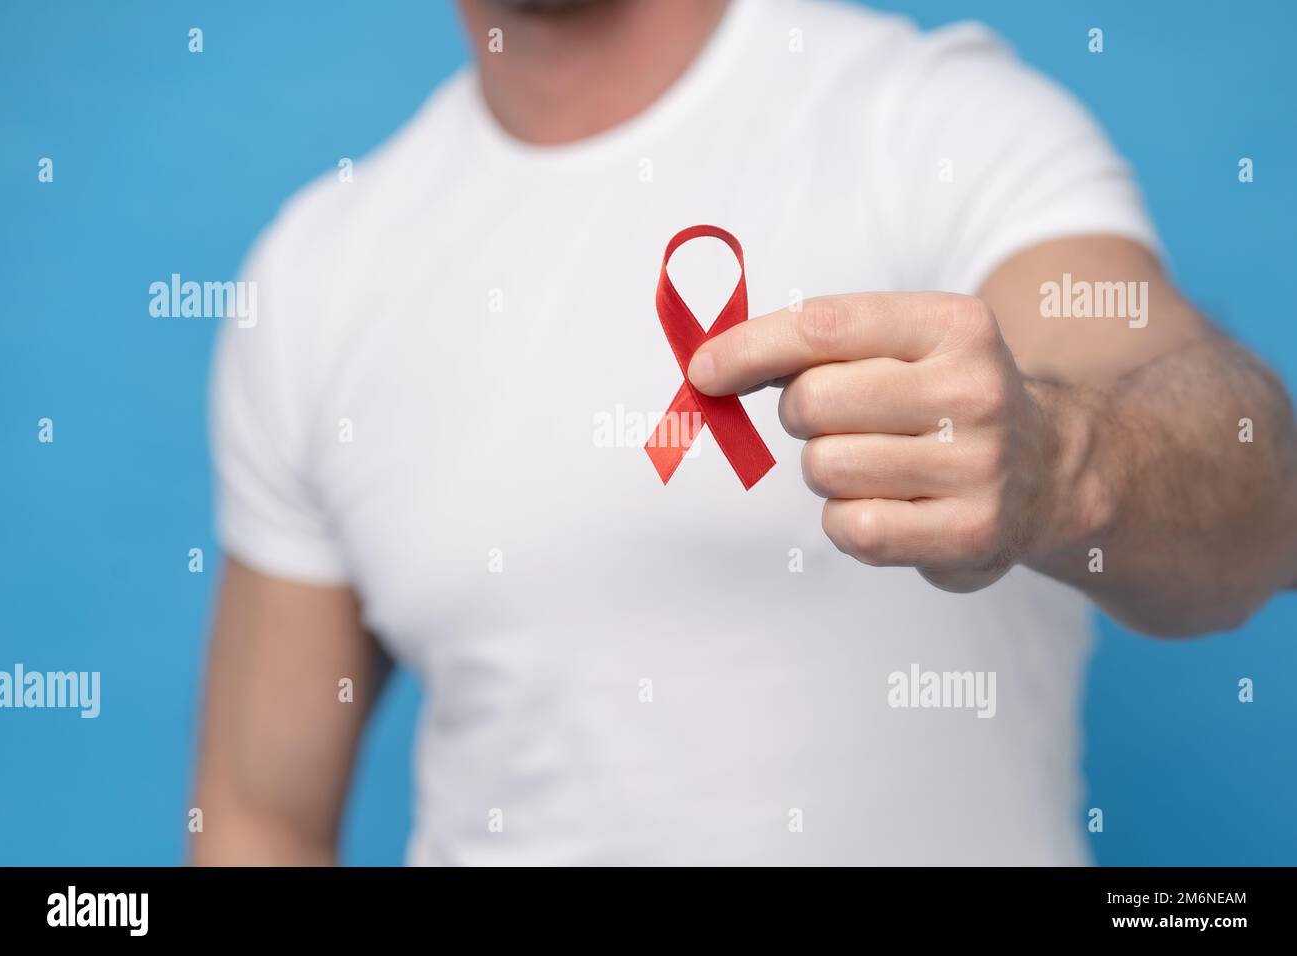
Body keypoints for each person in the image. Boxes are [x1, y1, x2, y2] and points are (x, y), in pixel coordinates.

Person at [191, 0, 1297, 865]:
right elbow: (256, 817)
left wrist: (1063, 463)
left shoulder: (937, 124)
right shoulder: (317, 274)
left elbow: (1264, 501)